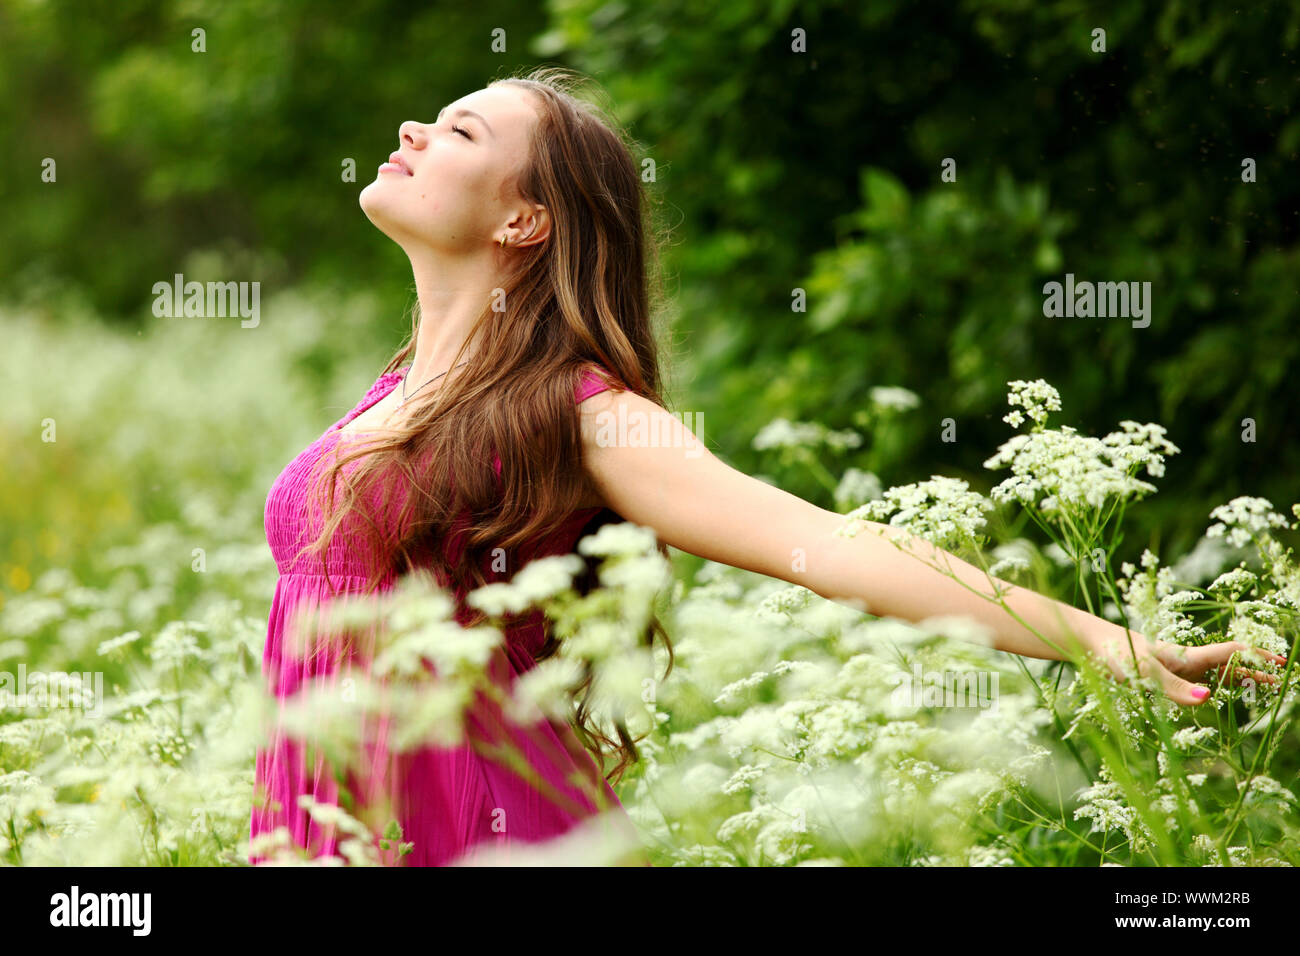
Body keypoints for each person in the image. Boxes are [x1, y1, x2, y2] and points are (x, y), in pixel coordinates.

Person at [250, 67, 1282, 867]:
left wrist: (1107, 644)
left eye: (461, 129)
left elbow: (827, 546)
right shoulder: (389, 395)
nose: (411, 132)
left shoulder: (579, 414)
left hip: (472, 829)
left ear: (525, 220)